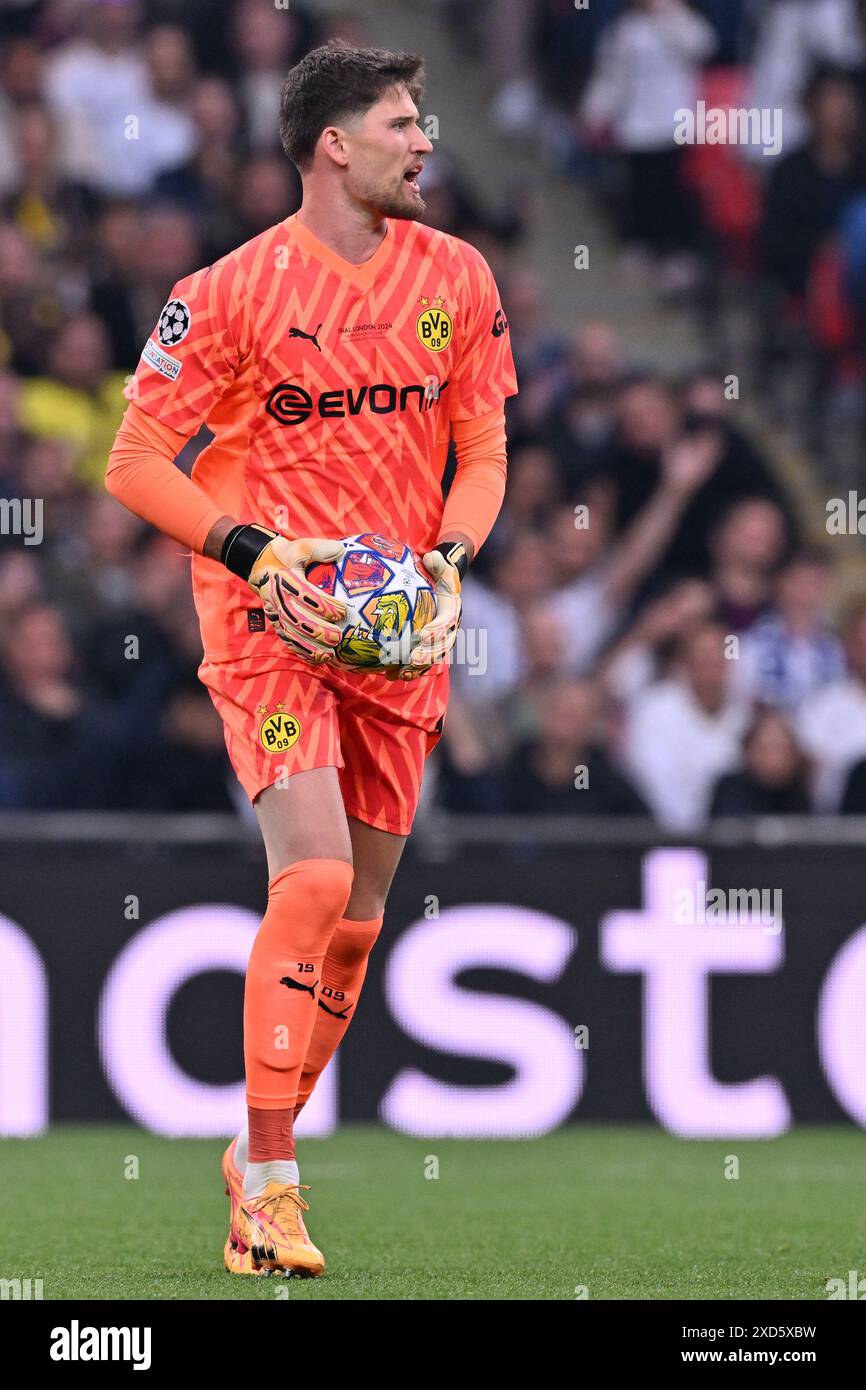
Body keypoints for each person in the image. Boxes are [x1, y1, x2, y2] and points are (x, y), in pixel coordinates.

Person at [105, 42, 517, 1278]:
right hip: (268, 616)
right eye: (402, 122)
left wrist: (448, 559)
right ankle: (275, 1186)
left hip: (394, 627)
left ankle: (249, 1154)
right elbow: (134, 462)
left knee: (359, 921)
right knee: (312, 880)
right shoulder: (227, 291)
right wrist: (253, 550)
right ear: (334, 145)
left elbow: (483, 449)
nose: (424, 139)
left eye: (424, 118)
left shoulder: (457, 275)